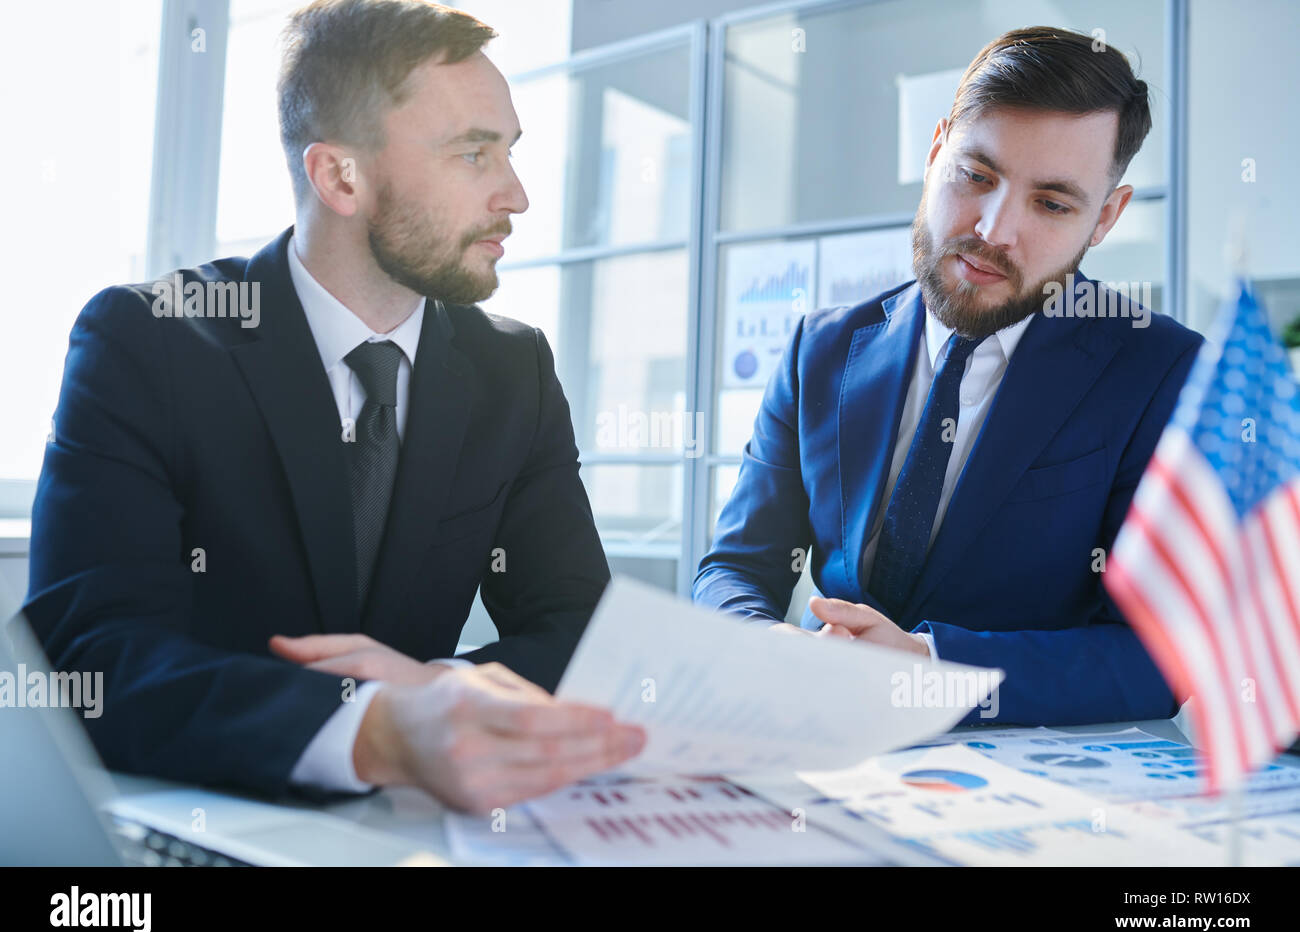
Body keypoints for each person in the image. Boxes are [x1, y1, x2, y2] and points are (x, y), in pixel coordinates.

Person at [22, 0, 643, 814]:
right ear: (340, 177)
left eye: (510, 152)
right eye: (473, 154)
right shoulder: (149, 341)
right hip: (209, 814)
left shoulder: (512, 368)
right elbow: (86, 660)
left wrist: (431, 692)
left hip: (413, 825)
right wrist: (369, 729)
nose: (517, 195)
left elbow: (582, 629)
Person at [694, 26, 1204, 726]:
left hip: (1025, 773)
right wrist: (764, 643)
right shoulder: (821, 349)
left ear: (1105, 218)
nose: (994, 230)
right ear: (936, 152)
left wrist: (930, 668)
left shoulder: (1163, 370)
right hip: (818, 739)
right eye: (976, 175)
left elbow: (1158, 658)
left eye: (1051, 204)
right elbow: (734, 568)